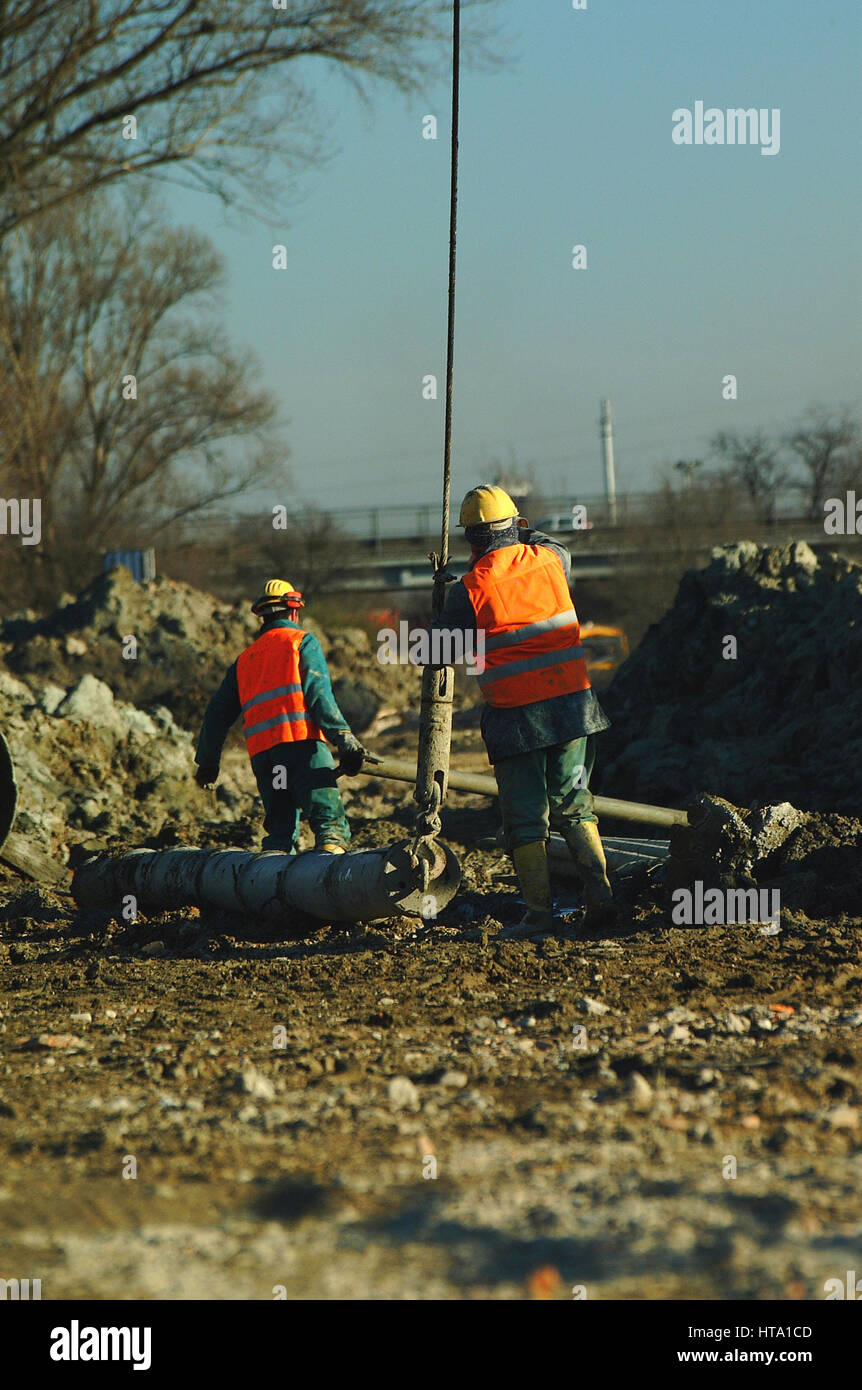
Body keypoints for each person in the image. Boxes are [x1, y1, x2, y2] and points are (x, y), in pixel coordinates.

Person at [434, 485, 614, 937]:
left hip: (518, 721)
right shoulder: (554, 560)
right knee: (576, 807)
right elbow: (543, 541)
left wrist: (443, 599)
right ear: (516, 525)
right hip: (574, 711)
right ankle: (602, 900)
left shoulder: (471, 589)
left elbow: (436, 650)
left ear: (471, 539)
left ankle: (539, 917)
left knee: (526, 820)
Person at [194, 579, 366, 854]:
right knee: (328, 823)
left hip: (265, 757)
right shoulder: (301, 642)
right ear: (294, 612)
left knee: (280, 832)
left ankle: (272, 884)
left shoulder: (245, 660)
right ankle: (329, 883)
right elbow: (319, 695)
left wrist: (208, 762)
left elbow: (216, 714)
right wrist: (342, 736)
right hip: (302, 746)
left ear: (262, 617)